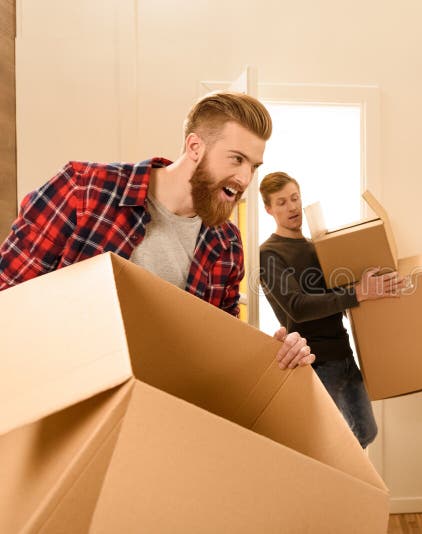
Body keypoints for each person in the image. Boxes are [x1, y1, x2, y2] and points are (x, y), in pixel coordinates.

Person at [0, 91, 313, 370]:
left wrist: (270, 358)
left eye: (253, 166)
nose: (245, 178)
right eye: (236, 159)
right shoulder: (84, 190)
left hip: (152, 414)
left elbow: (217, 351)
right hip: (59, 394)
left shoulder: (227, 244)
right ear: (195, 147)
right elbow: (9, 295)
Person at [258, 171, 405, 447]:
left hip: (344, 354)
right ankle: (335, 489)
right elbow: (297, 307)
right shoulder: (269, 253)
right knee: (329, 445)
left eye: (294, 198)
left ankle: (347, 486)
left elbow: (339, 295)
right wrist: (358, 292)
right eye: (281, 202)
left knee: (366, 432)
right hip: (316, 363)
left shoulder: (317, 247)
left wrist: (366, 285)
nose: (291, 207)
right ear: (268, 209)